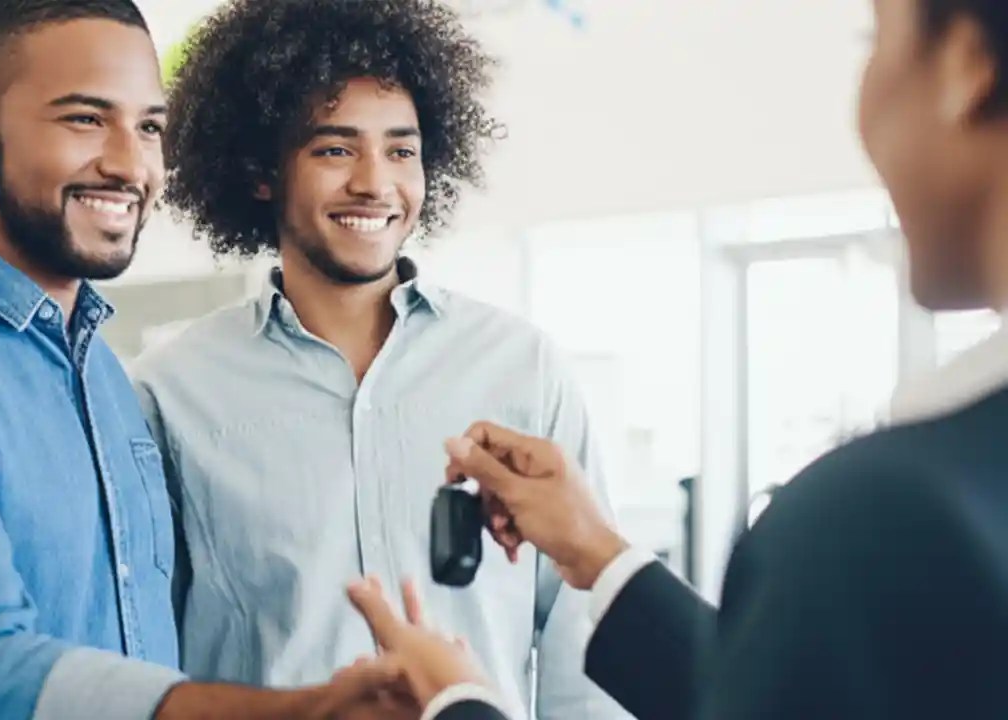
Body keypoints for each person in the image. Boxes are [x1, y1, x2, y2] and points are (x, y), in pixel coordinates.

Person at [345, 2, 1008, 716]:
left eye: (874, 39)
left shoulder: (882, 520)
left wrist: (455, 704)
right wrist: (597, 552)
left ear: (965, 64)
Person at [0, 2, 405, 718]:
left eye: (149, 128)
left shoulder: (102, 375)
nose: (129, 165)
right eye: (86, 119)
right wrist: (297, 712)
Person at [131, 0, 627, 717]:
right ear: (262, 172)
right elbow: (144, 644)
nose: (374, 182)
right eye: (335, 150)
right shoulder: (172, 390)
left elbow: (579, 629)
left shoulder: (521, 366)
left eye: (401, 151)